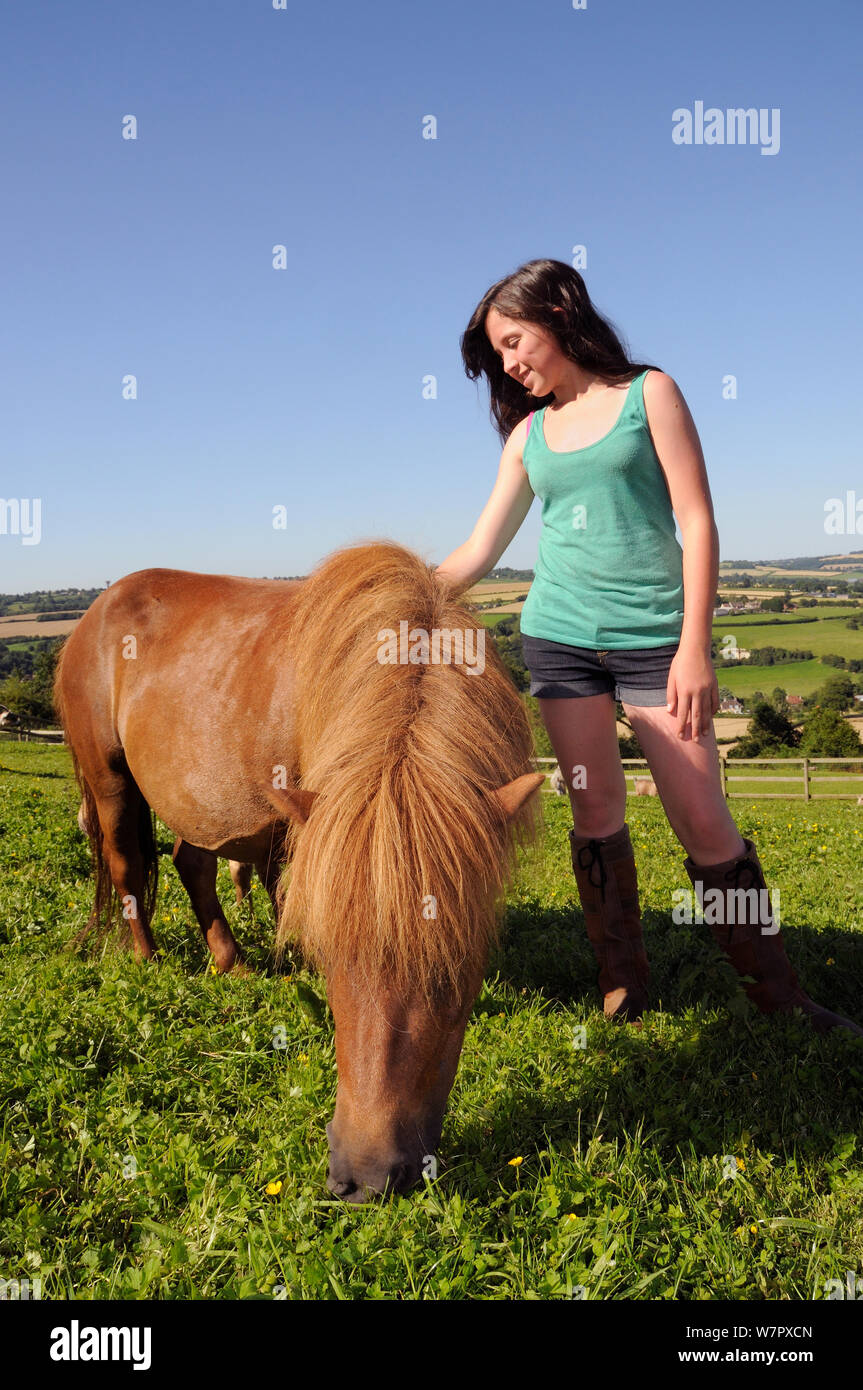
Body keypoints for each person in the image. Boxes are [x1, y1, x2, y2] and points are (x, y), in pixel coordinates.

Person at [434, 258, 861, 1036]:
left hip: (657, 646)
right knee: (595, 811)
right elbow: (478, 551)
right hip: (559, 645)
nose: (509, 364)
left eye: (515, 341)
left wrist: (692, 649)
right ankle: (622, 982)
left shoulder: (648, 393)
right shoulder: (528, 436)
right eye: (497, 355)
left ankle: (778, 996)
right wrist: (391, 596)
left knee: (703, 821)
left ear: (558, 316)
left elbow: (696, 521)